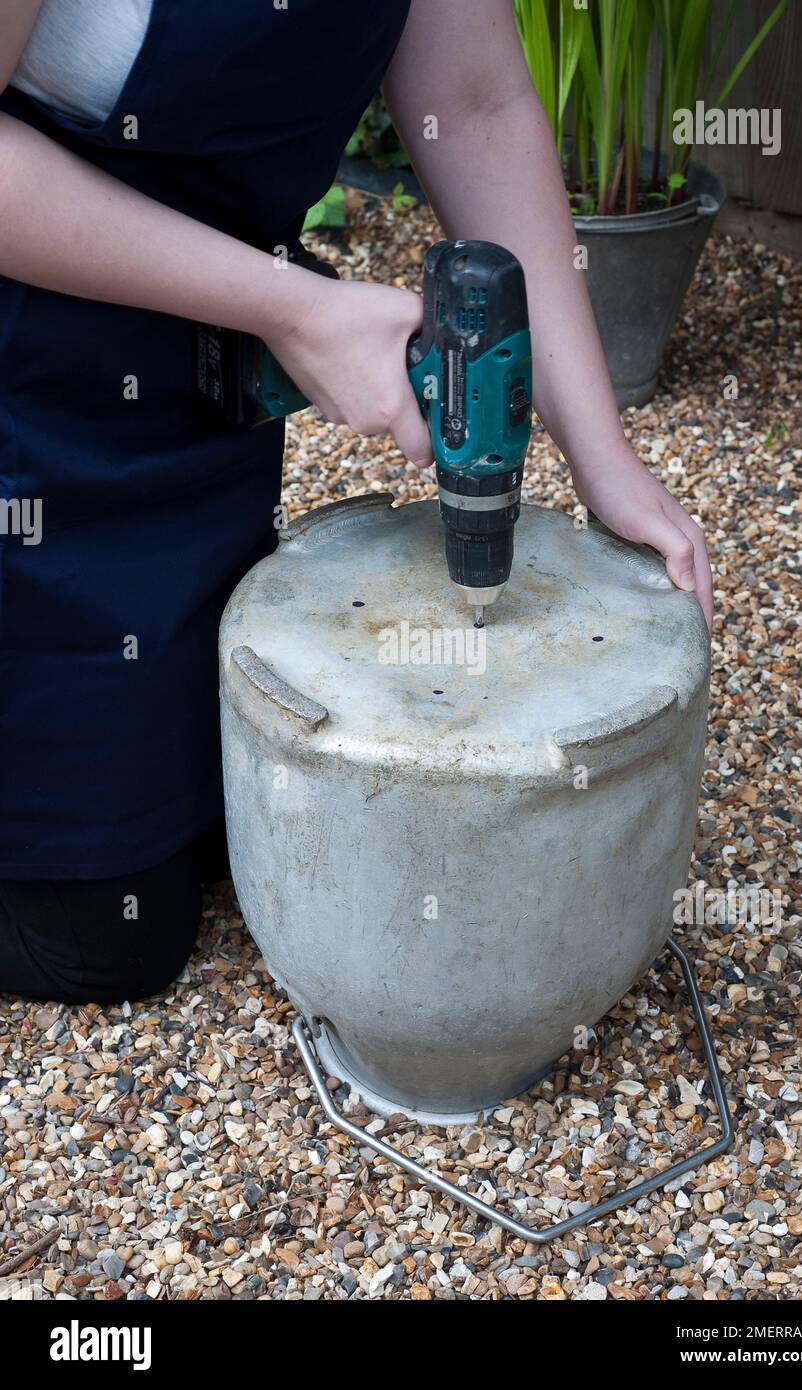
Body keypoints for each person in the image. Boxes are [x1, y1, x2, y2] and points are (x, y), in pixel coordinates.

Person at [0, 0, 713, 1005]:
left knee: (236, 815)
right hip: (24, 385)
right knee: (104, 937)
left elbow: (472, 106)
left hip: (205, 378)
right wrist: (291, 306)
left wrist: (604, 457)